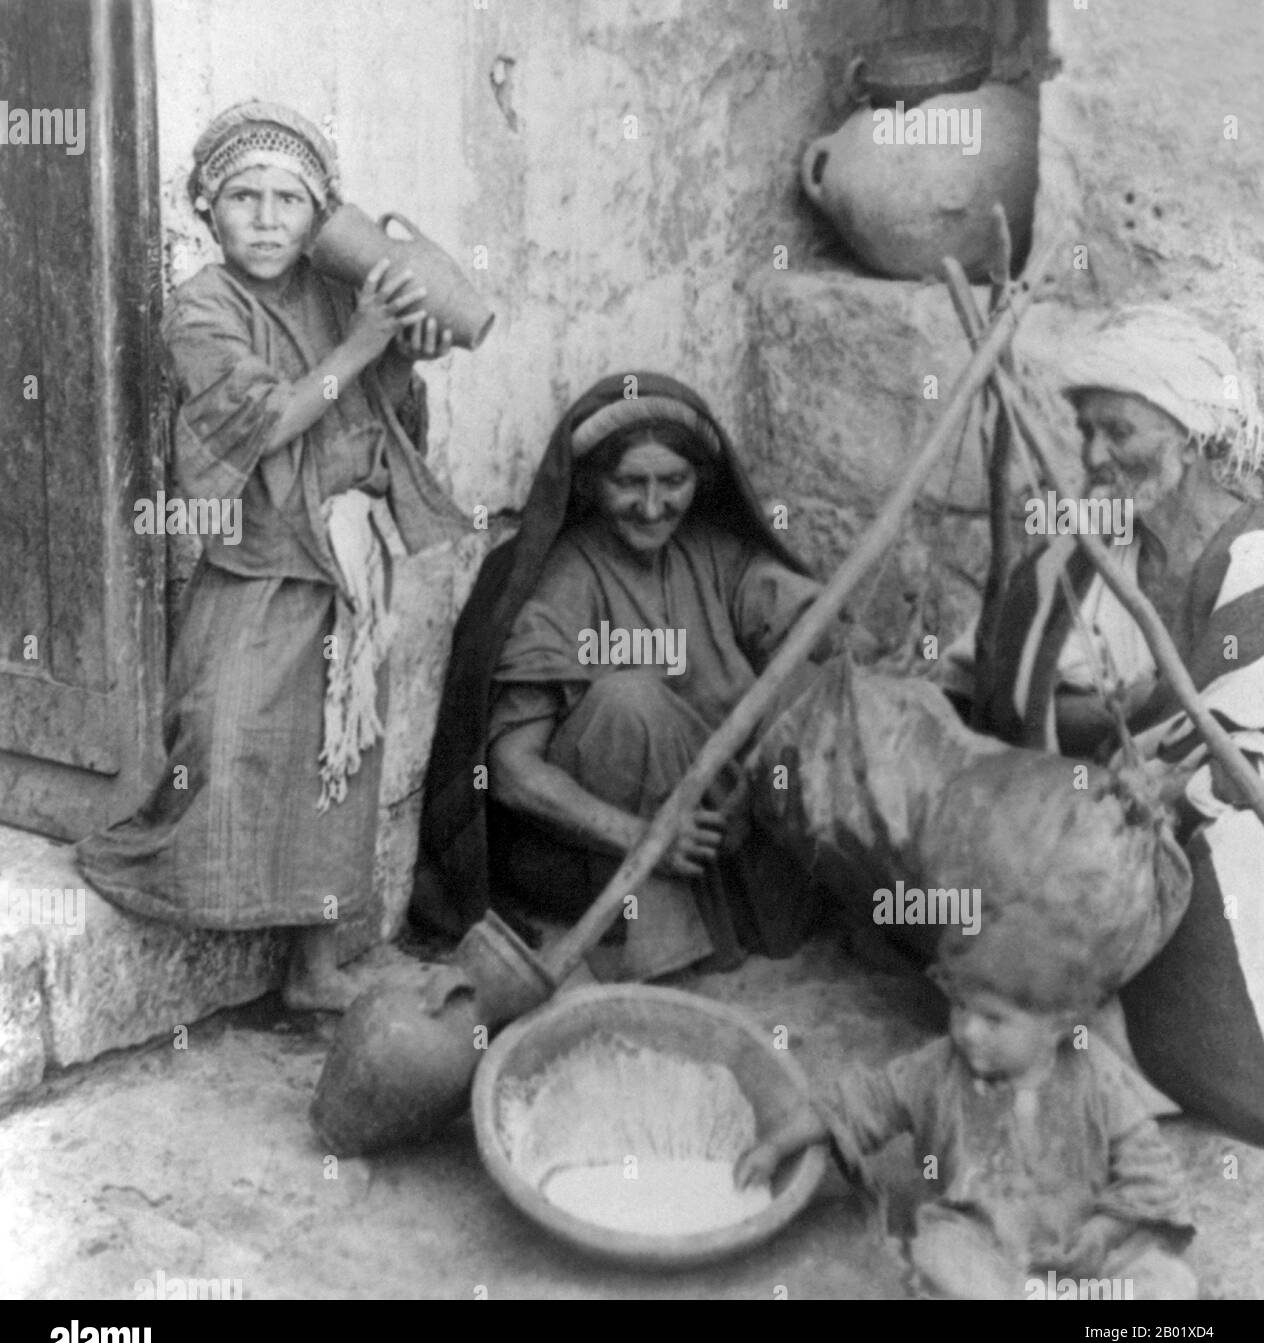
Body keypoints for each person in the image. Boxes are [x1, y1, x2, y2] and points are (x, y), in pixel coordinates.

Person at [76, 100, 466, 1011]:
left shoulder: (337, 289)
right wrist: (367, 342)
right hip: (256, 561)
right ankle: (193, 896)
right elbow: (269, 417)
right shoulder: (202, 309)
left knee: (338, 756)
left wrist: (411, 347)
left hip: (345, 560)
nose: (264, 219)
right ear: (207, 209)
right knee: (226, 734)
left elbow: (387, 400)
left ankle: (317, 967)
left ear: (319, 214)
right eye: (242, 197)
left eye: (288, 201)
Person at [411, 374, 862, 980]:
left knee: (807, 685)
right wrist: (647, 836)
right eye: (629, 482)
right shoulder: (565, 579)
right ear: (594, 484)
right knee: (629, 702)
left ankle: (782, 903)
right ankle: (660, 961)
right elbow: (514, 773)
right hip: (598, 848)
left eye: (673, 482)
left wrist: (858, 649)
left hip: (715, 829)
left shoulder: (715, 553)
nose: (653, 507)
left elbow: (809, 626)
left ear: (699, 481)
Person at [946, 305, 1264, 1141]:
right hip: (1099, 804)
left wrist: (1171, 778)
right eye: (1084, 431)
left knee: (1226, 863)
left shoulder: (1256, 557)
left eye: (1117, 430)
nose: (1093, 457)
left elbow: (1246, 746)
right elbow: (1018, 702)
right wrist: (1113, 719)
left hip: (1230, 818)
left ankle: (1193, 1058)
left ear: (1192, 437)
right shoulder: (1083, 550)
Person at [734, 910, 1198, 1300]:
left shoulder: (1097, 1077)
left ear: (1058, 1026)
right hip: (988, 1252)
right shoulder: (936, 1070)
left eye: (994, 1019)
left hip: (1086, 1262)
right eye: (960, 1007)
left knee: (1168, 1282)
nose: (969, 1032)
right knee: (938, 1250)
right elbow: (858, 1102)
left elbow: (1151, 1177)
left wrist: (1102, 1233)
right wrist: (775, 1146)